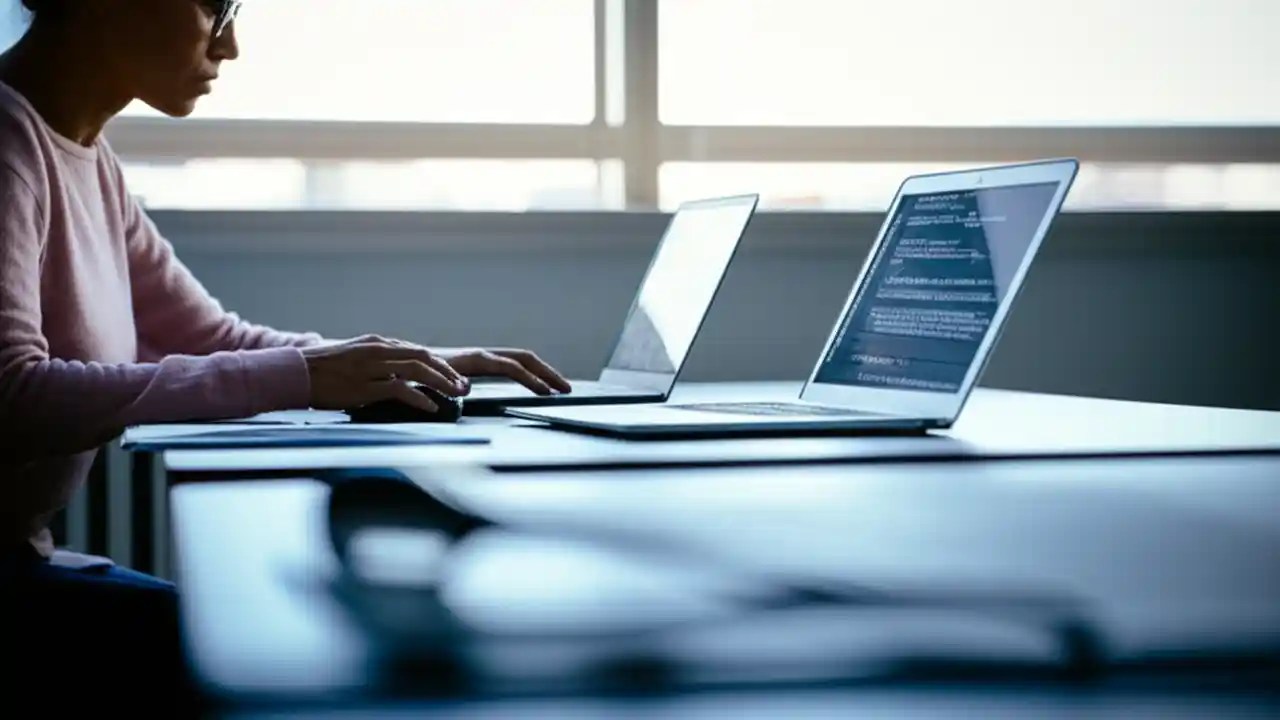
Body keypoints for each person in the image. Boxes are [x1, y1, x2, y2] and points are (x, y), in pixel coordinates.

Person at [0, 0, 572, 705]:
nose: (230, 47)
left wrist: (398, 359)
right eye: (216, 8)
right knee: (268, 653)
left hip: (30, 564)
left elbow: (217, 340)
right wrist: (301, 378)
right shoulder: (6, 142)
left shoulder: (85, 157)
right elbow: (13, 397)